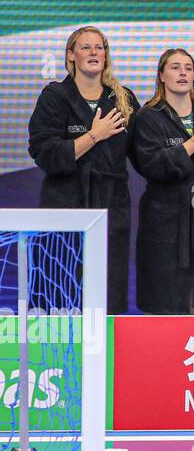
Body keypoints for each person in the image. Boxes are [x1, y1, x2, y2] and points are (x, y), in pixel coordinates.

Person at [27, 26, 139, 313]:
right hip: (66, 204)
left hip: (110, 206)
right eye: (86, 47)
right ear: (71, 55)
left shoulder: (121, 98)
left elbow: (146, 151)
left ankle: (105, 354)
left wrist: (188, 148)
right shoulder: (55, 96)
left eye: (99, 47)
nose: (93, 53)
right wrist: (94, 135)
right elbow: (45, 153)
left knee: (108, 292)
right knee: (60, 286)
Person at [127, 48, 194, 314]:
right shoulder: (148, 117)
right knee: (165, 293)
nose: (183, 72)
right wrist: (193, 143)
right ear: (162, 75)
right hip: (166, 214)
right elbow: (151, 166)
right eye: (175, 67)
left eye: (188, 67)